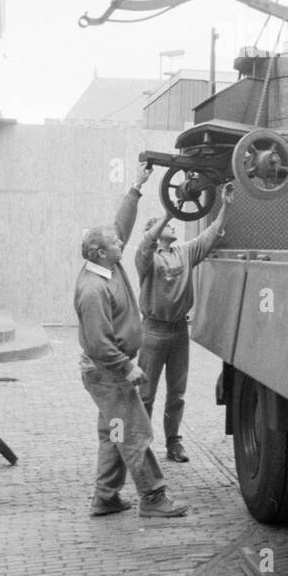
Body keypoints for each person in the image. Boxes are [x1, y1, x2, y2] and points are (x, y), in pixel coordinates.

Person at [75, 163, 187, 519]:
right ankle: (153, 498)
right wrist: (127, 368)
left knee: (114, 432)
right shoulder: (93, 290)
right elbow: (98, 343)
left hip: (108, 372)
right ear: (99, 252)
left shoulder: (109, 264)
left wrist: (137, 186)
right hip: (108, 372)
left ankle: (105, 498)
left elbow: (120, 224)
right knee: (135, 432)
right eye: (115, 242)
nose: (122, 241)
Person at [135, 181, 234, 462]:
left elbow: (211, 235)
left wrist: (225, 205)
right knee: (146, 394)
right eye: (167, 225)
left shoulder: (185, 252)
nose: (174, 227)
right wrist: (169, 212)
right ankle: (141, 446)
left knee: (177, 393)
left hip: (178, 331)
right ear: (153, 231)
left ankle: (173, 443)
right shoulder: (147, 259)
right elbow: (146, 243)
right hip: (153, 332)